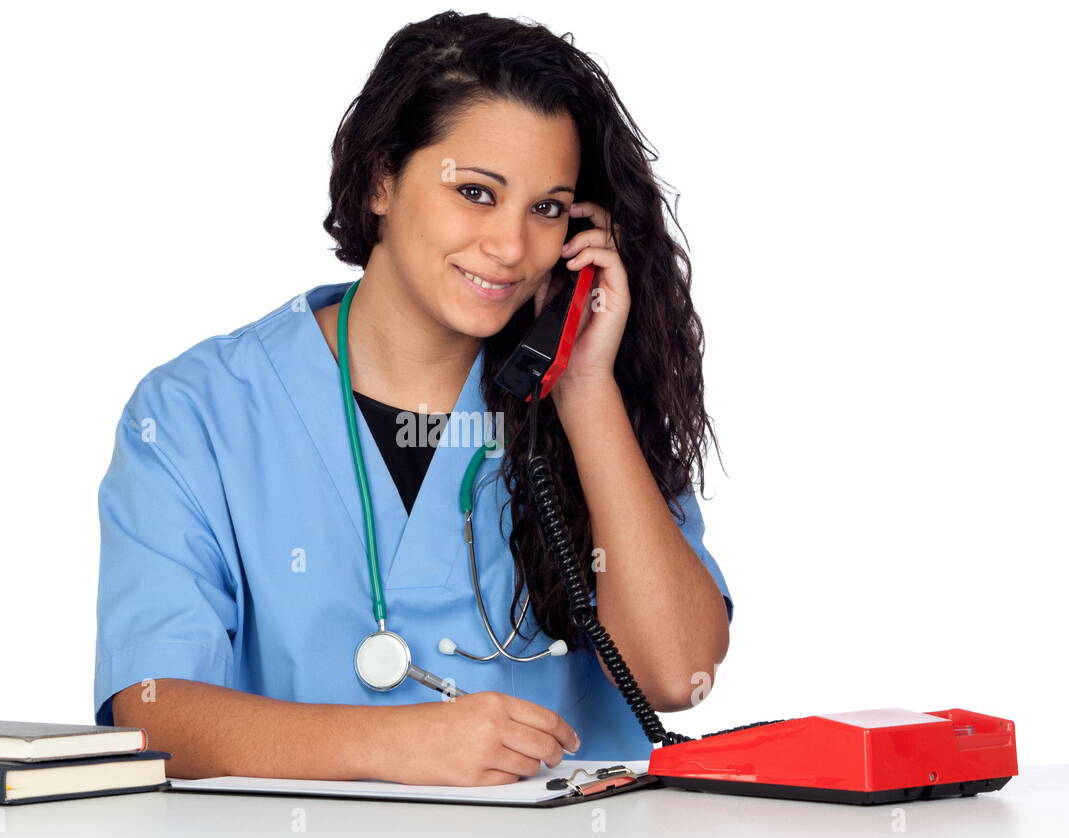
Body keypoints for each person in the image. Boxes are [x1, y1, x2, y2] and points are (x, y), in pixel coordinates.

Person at [94, 10, 733, 786]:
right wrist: (401, 746)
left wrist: (584, 390)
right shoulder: (198, 414)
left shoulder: (592, 405)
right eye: (475, 192)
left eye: (547, 208)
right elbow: (152, 713)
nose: (510, 247)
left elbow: (676, 676)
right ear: (381, 181)